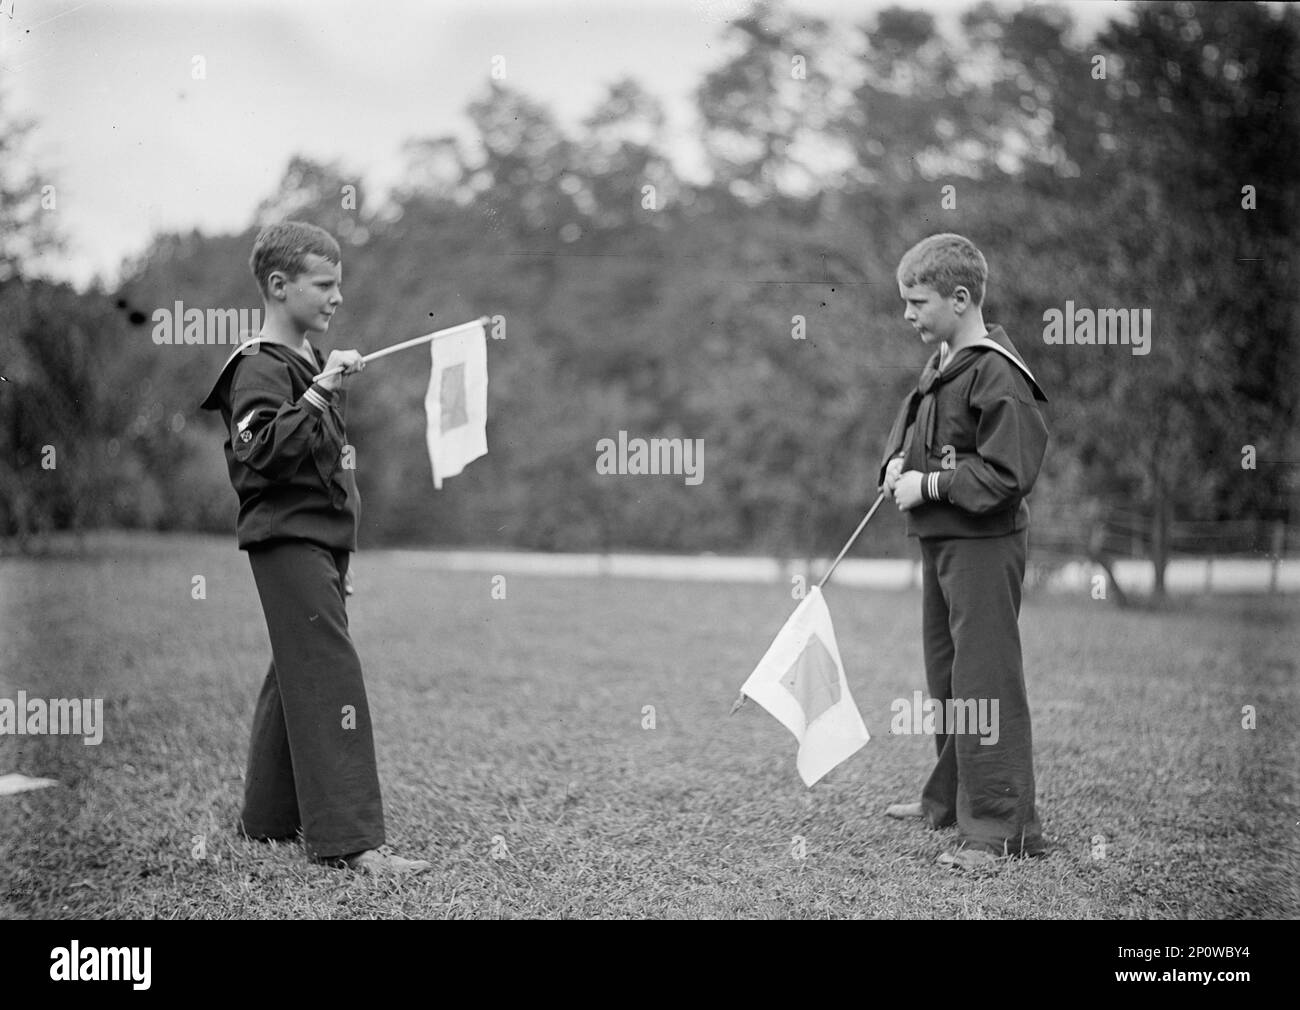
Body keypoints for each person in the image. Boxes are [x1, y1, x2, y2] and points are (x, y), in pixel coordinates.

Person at [200, 220, 430, 875]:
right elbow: (260, 454)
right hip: (285, 542)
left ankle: (267, 819)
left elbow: (325, 473)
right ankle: (351, 841)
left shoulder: (301, 367)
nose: (336, 298)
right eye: (323, 284)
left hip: (318, 547)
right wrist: (323, 390)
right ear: (279, 285)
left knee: (294, 669)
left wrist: (337, 561)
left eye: (339, 285)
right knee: (330, 677)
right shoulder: (258, 367)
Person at [878, 233, 1050, 870]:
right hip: (942, 543)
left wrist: (931, 484)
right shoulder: (944, 362)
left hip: (983, 546)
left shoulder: (995, 368)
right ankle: (947, 801)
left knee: (985, 683)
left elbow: (1009, 474)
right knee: (947, 678)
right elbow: (917, 430)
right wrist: (898, 465)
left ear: (959, 297)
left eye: (916, 301)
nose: (908, 315)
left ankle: (1000, 830)